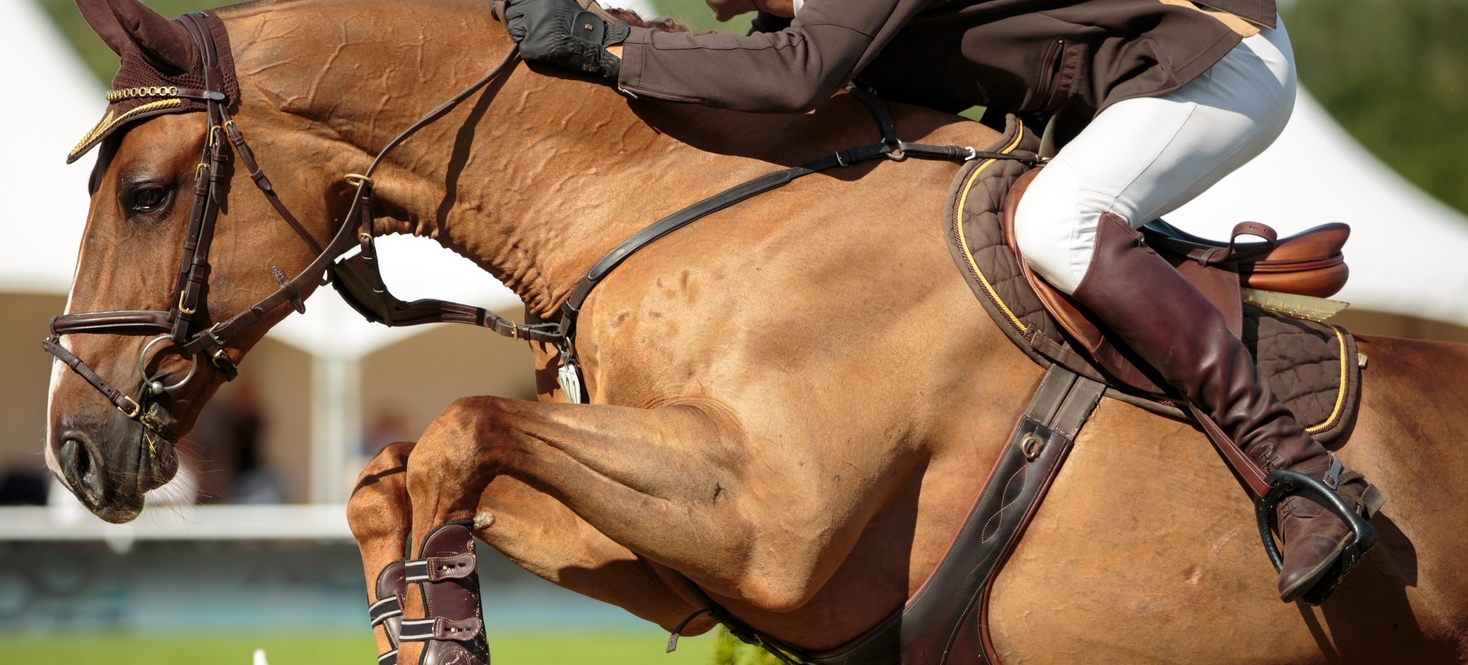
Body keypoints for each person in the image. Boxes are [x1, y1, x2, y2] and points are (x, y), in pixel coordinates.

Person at [501, 0, 1379, 602]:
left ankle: (1301, 471)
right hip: (1118, 84)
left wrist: (599, 44)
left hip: (1212, 59)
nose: (721, 10)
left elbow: (796, 74)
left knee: (1060, 225)